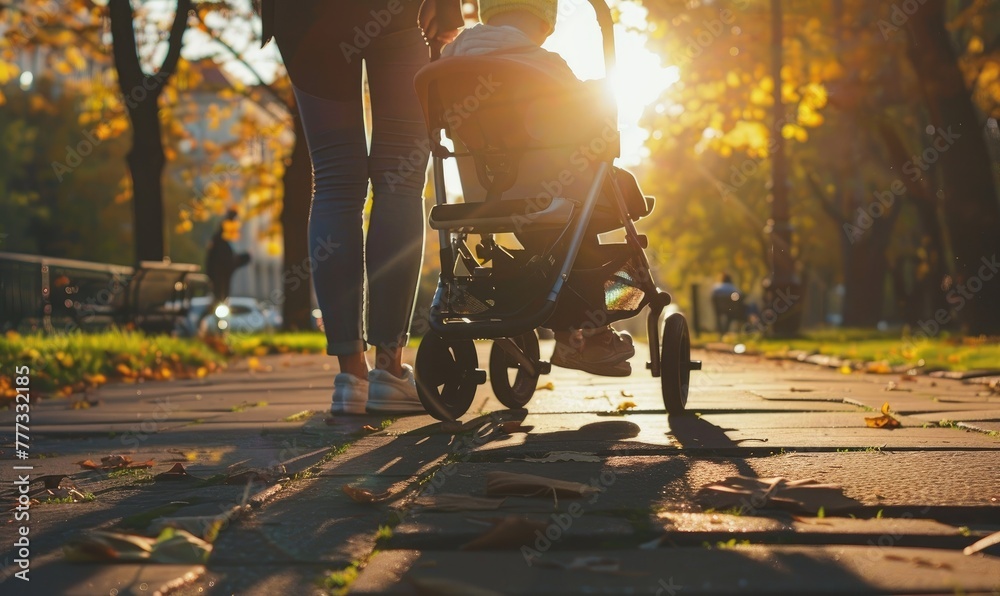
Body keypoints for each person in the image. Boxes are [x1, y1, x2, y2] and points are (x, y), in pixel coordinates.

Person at [262, 0, 465, 414]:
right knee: (400, 182)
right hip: (399, 13)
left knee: (336, 181)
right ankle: (389, 373)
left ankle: (350, 379)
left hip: (305, 18)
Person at [442, 0, 641, 377]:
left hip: (487, 195)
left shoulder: (449, 65)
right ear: (545, 23)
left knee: (544, 242)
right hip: (550, 194)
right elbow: (589, 125)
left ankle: (565, 337)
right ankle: (595, 335)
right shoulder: (544, 66)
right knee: (579, 225)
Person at [205, 209, 251, 306]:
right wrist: (244, 258)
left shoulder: (220, 242)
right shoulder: (222, 243)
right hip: (220, 291)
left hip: (221, 291)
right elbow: (228, 263)